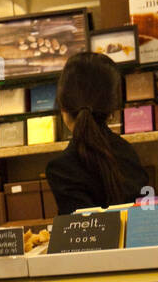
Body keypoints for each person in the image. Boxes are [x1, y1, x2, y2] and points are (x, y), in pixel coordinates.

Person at [45, 52, 150, 214]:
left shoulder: (61, 168)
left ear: (63, 106)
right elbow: (145, 218)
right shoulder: (129, 153)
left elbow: (81, 234)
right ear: (111, 109)